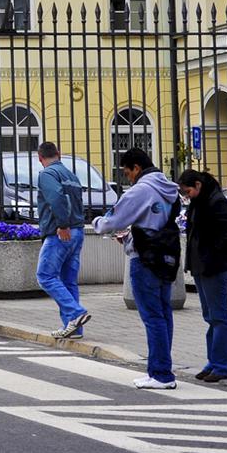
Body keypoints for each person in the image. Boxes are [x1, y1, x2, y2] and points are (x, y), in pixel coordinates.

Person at [92, 148, 183, 390]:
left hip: (143, 257)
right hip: (165, 254)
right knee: (163, 314)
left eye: (127, 172)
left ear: (137, 168)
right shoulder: (169, 186)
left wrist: (97, 222)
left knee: (152, 317)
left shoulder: (140, 190)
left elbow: (113, 220)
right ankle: (161, 369)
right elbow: (157, 220)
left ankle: (161, 374)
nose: (127, 177)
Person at [178, 168, 227, 383]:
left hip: (215, 266)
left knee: (219, 316)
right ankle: (214, 361)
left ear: (198, 185)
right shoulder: (200, 201)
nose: (186, 196)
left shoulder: (216, 201)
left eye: (188, 191)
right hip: (202, 266)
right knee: (210, 316)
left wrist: (215, 250)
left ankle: (224, 364)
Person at [33, 142, 89, 340]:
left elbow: (56, 198)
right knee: (68, 281)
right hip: (78, 231)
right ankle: (74, 329)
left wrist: (62, 224)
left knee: (45, 276)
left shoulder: (47, 174)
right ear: (59, 154)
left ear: (40, 158)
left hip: (60, 233)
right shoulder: (71, 175)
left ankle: (76, 313)